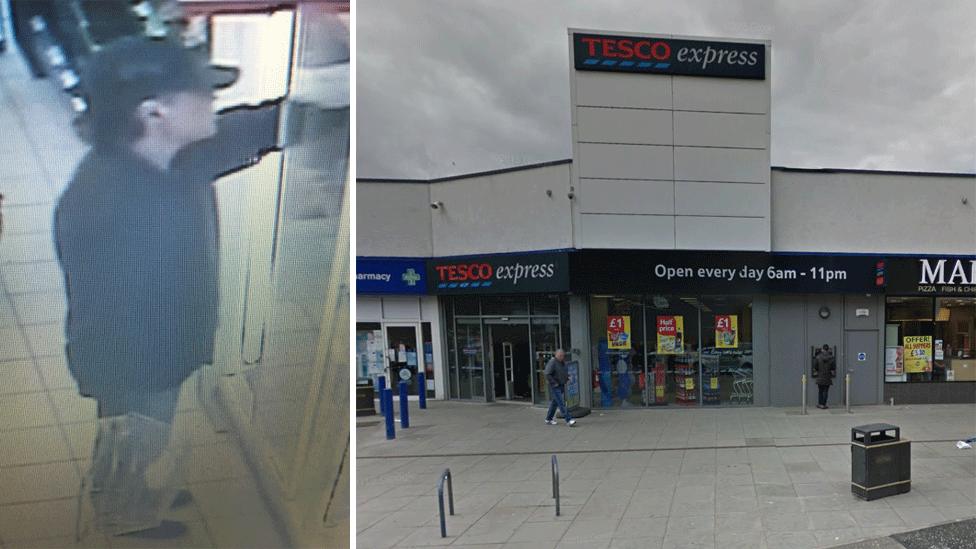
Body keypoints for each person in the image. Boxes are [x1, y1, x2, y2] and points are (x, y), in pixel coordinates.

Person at [54, 36, 282, 539]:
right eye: (200, 93)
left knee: (145, 432)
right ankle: (120, 511)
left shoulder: (167, 156)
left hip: (164, 348)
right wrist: (136, 376)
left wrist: (297, 118)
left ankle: (130, 487)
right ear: (154, 111)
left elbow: (237, 133)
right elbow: (105, 310)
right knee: (133, 435)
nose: (213, 101)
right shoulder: (103, 203)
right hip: (133, 360)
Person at [543, 349, 577, 426]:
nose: (562, 357)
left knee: (555, 403)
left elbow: (563, 372)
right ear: (556, 355)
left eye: (563, 355)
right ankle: (569, 420)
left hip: (561, 384)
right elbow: (547, 374)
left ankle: (548, 418)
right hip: (555, 386)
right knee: (561, 403)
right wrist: (554, 383)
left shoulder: (562, 362)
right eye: (561, 356)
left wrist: (567, 378)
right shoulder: (552, 362)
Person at [813, 344, 836, 409]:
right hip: (827, 377)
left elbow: (815, 367)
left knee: (820, 391)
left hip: (820, 376)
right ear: (828, 349)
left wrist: (818, 370)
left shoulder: (818, 357)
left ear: (822, 349)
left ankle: (820, 404)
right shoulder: (831, 357)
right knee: (826, 391)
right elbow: (833, 368)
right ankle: (824, 405)